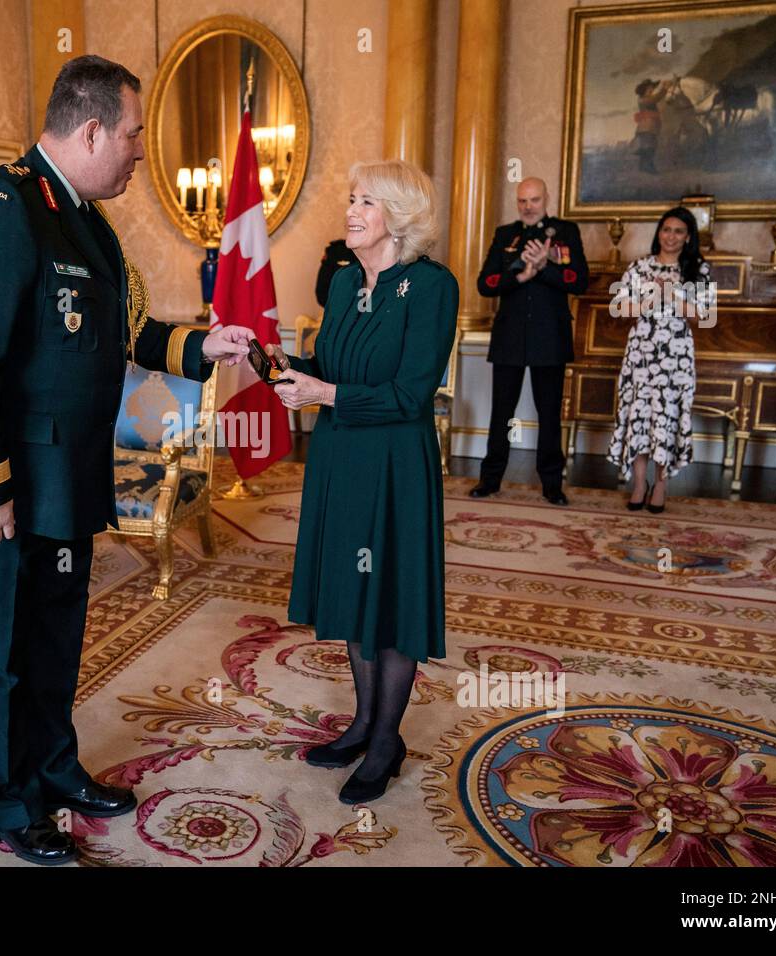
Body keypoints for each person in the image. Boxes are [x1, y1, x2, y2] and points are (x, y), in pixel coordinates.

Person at [0, 55, 252, 865]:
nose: (139, 152)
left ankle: (56, 772)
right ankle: (7, 805)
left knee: (54, 638)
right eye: (132, 135)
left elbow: (124, 330)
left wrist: (206, 344)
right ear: (92, 129)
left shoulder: (87, 218)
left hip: (61, 480)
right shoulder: (1, 211)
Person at [271, 159, 457, 805]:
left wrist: (326, 392)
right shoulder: (346, 283)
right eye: (351, 198)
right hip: (340, 456)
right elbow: (327, 366)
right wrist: (278, 363)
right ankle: (362, 723)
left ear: (399, 218)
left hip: (393, 461)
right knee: (353, 591)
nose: (350, 210)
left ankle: (386, 743)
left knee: (393, 602)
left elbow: (411, 392)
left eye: (365, 202)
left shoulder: (432, 287)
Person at [472, 177, 588, 505]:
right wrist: (520, 275)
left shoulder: (566, 231)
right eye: (522, 200)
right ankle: (490, 479)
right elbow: (485, 283)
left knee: (549, 413)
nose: (527, 206)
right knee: (501, 413)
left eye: (534, 200)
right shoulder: (505, 235)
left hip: (550, 337)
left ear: (546, 198)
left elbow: (579, 280)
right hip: (509, 336)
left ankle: (552, 485)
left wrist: (544, 268)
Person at [606, 206, 712, 513]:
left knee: (666, 417)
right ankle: (639, 484)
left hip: (676, 358)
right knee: (639, 415)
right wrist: (651, 296)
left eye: (679, 231)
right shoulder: (639, 267)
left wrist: (674, 295)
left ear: (688, 236)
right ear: (659, 232)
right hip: (640, 354)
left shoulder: (698, 269)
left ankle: (661, 485)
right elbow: (618, 309)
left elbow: (706, 316)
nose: (671, 236)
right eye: (666, 229)